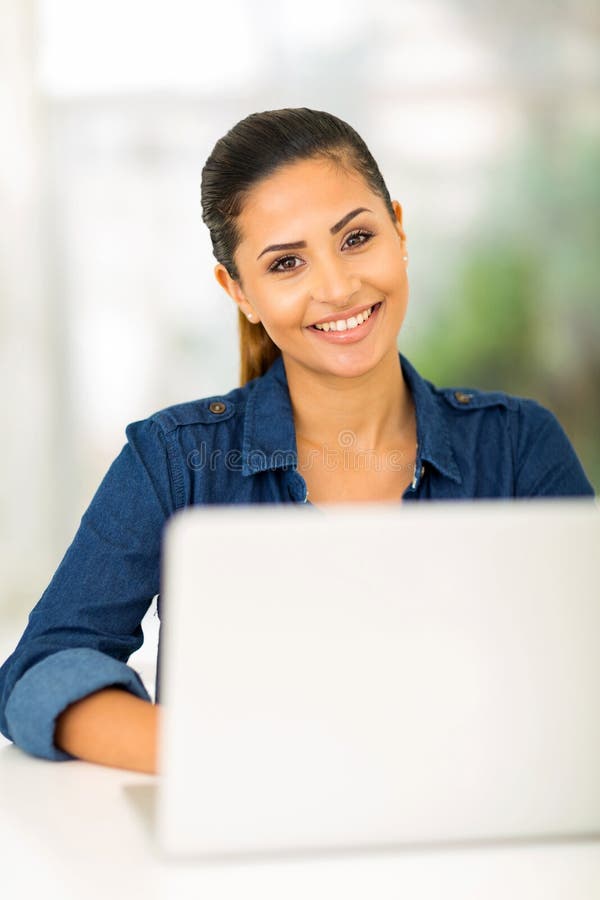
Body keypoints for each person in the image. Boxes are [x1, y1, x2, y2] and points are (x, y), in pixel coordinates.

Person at [0, 108, 594, 775]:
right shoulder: (175, 460)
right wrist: (232, 758)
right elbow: (40, 671)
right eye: (286, 263)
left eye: (357, 238)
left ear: (399, 230)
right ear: (240, 291)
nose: (338, 288)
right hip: (249, 855)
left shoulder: (516, 447)